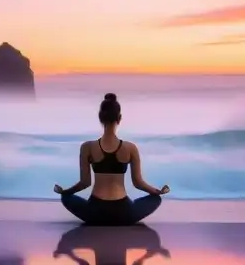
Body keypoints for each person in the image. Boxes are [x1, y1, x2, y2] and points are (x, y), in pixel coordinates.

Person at [53, 93, 170, 226]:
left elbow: (85, 183)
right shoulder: (130, 148)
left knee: (66, 198)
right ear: (119, 118)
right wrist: (157, 192)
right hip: (124, 213)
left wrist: (66, 192)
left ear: (100, 117)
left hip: (95, 213)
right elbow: (138, 183)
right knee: (156, 199)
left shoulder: (87, 147)